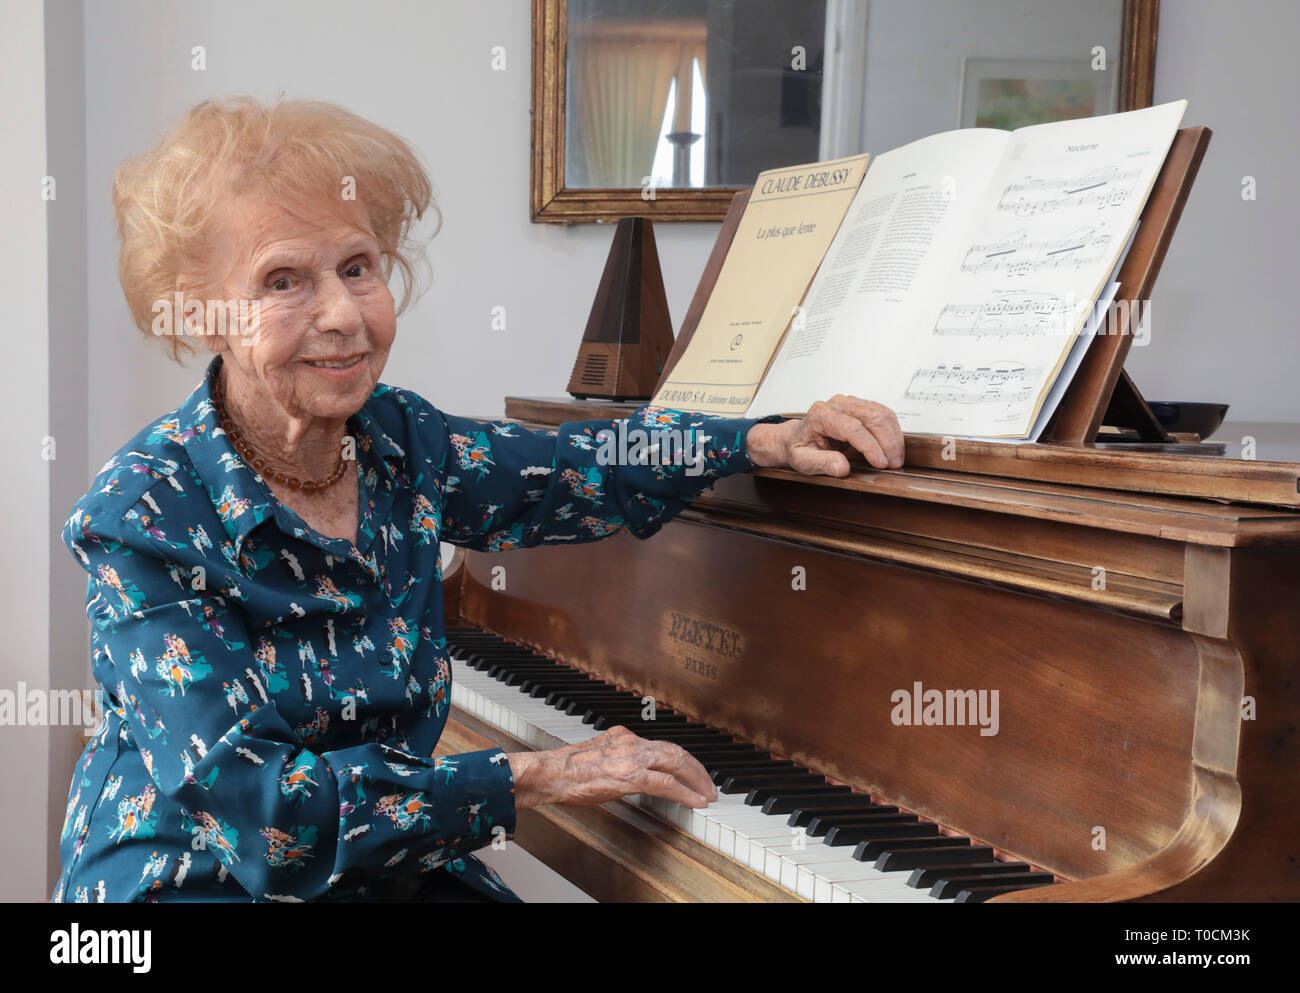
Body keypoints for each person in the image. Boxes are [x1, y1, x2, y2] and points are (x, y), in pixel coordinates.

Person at [53, 96, 904, 902]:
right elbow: (265, 815)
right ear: (203, 315)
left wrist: (756, 438)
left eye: (358, 266)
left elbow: (578, 463)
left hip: (375, 867)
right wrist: (537, 773)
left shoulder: (395, 442)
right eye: (284, 281)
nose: (345, 313)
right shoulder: (141, 516)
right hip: (199, 879)